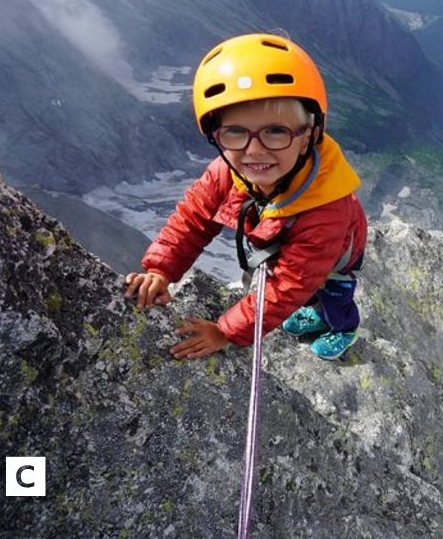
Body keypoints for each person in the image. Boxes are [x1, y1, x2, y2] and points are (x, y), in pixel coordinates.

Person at [124, 33, 367, 361]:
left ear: (309, 133)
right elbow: (192, 219)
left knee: (333, 289)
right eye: (235, 132)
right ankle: (318, 311)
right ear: (217, 137)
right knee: (309, 293)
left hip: (337, 250)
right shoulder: (228, 172)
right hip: (292, 242)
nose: (254, 150)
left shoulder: (327, 211)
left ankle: (343, 327)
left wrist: (225, 331)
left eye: (276, 131)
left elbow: (289, 286)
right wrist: (160, 269)